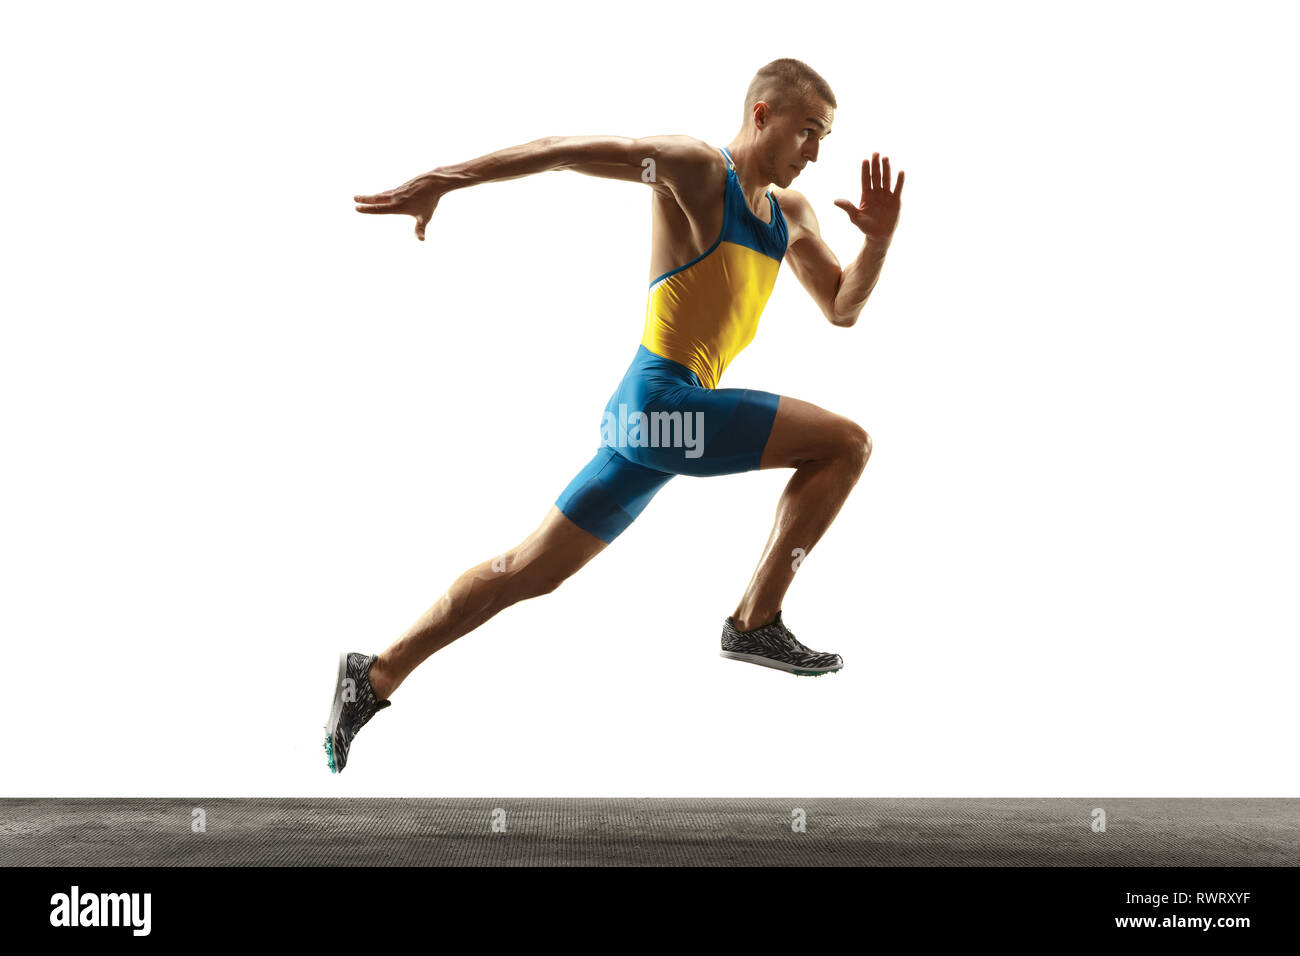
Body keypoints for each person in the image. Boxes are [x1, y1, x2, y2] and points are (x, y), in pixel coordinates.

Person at [325, 58, 904, 772]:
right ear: (762, 115)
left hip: (648, 426)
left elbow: (843, 308)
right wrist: (444, 178)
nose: (816, 150)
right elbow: (560, 154)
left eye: (826, 137)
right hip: (664, 404)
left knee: (525, 571)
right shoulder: (695, 169)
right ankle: (755, 621)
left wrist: (876, 242)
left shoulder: (790, 215)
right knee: (847, 444)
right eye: (808, 131)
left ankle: (373, 674)